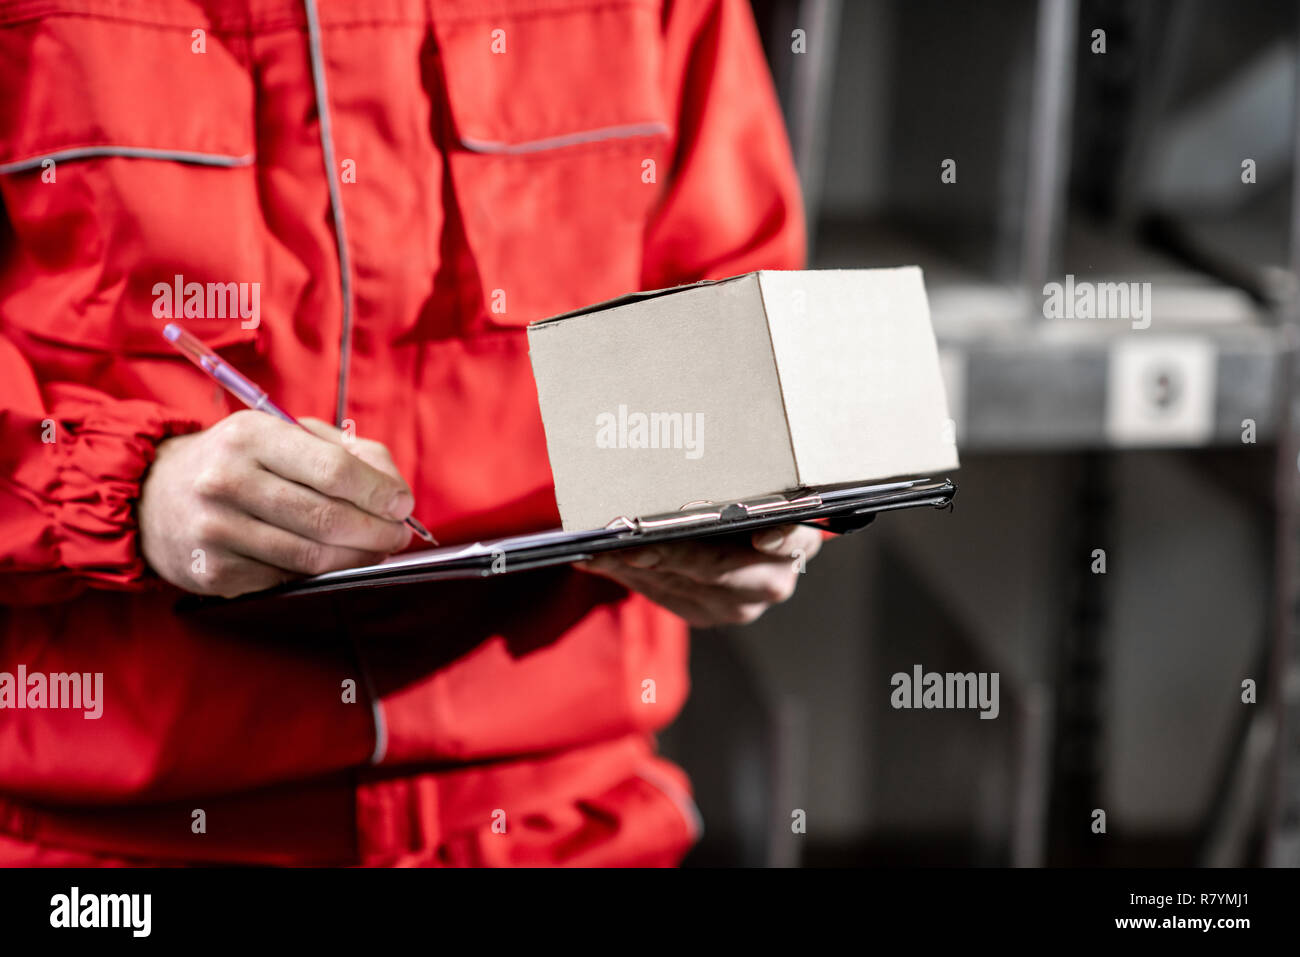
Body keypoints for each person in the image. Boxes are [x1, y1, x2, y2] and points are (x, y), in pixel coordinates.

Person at [0, 0, 820, 866]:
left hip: (566, 824)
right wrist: (125, 493)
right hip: (112, 845)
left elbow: (737, 344)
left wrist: (753, 507)